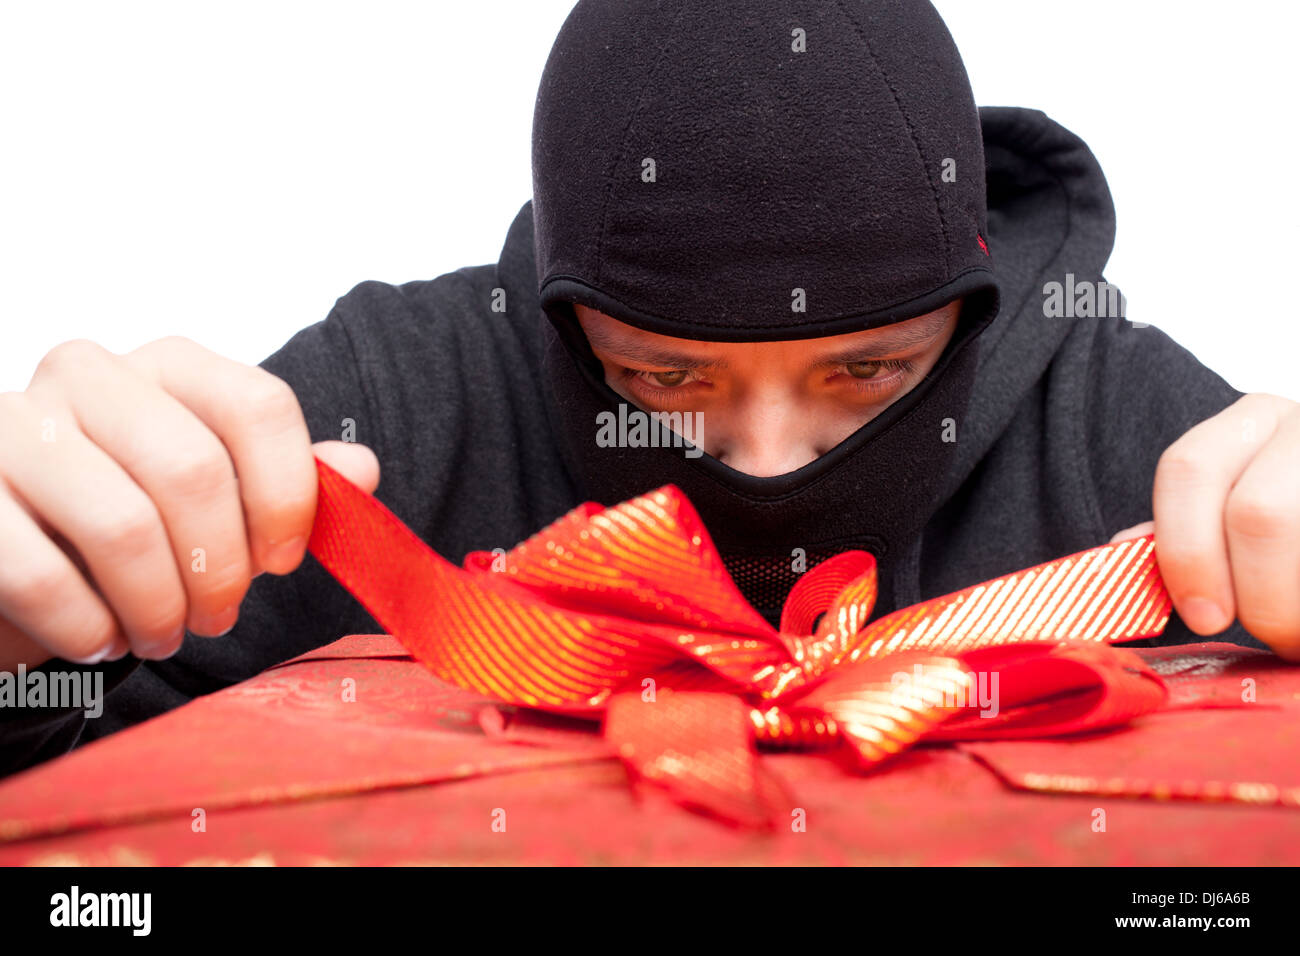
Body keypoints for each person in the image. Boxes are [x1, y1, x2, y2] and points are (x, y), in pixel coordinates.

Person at [1, 0, 1296, 778]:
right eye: (663, 376)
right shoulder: (391, 410)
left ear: (975, 308)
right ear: (565, 321)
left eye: (872, 373)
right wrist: (14, 642)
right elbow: (65, 793)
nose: (776, 466)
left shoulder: (1117, 423)